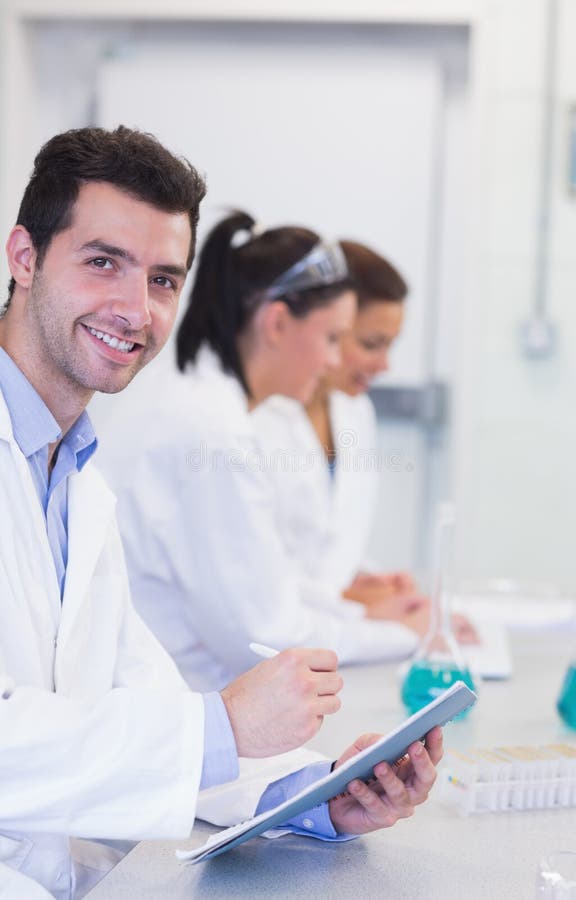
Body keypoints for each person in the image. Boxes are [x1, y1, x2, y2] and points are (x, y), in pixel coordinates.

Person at [0, 128, 443, 900]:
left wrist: (314, 795)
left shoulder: (70, 473)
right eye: (103, 261)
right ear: (25, 258)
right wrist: (223, 729)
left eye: (164, 279)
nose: (135, 308)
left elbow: (145, 702)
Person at [97, 212, 434, 697]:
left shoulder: (200, 403)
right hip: (177, 710)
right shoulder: (215, 435)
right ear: (277, 322)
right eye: (332, 338)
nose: (334, 361)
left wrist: (359, 611)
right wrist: (408, 634)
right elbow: (267, 638)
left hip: (184, 700)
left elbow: (265, 588)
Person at [252, 240, 477, 638]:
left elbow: (321, 545)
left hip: (327, 635)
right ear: (329, 328)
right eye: (372, 344)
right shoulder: (255, 419)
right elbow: (251, 580)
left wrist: (366, 582)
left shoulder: (355, 412)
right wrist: (358, 607)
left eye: (391, 345)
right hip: (269, 647)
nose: (385, 364)